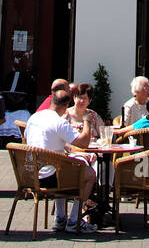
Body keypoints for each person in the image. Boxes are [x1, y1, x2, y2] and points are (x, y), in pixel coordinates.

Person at [24, 84, 97, 235]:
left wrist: (66, 149)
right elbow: (83, 143)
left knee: (62, 166)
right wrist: (87, 122)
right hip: (49, 177)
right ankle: (74, 221)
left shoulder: (34, 117)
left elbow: (30, 138)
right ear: (66, 106)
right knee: (89, 174)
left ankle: (60, 218)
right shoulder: (59, 122)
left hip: (30, 174)